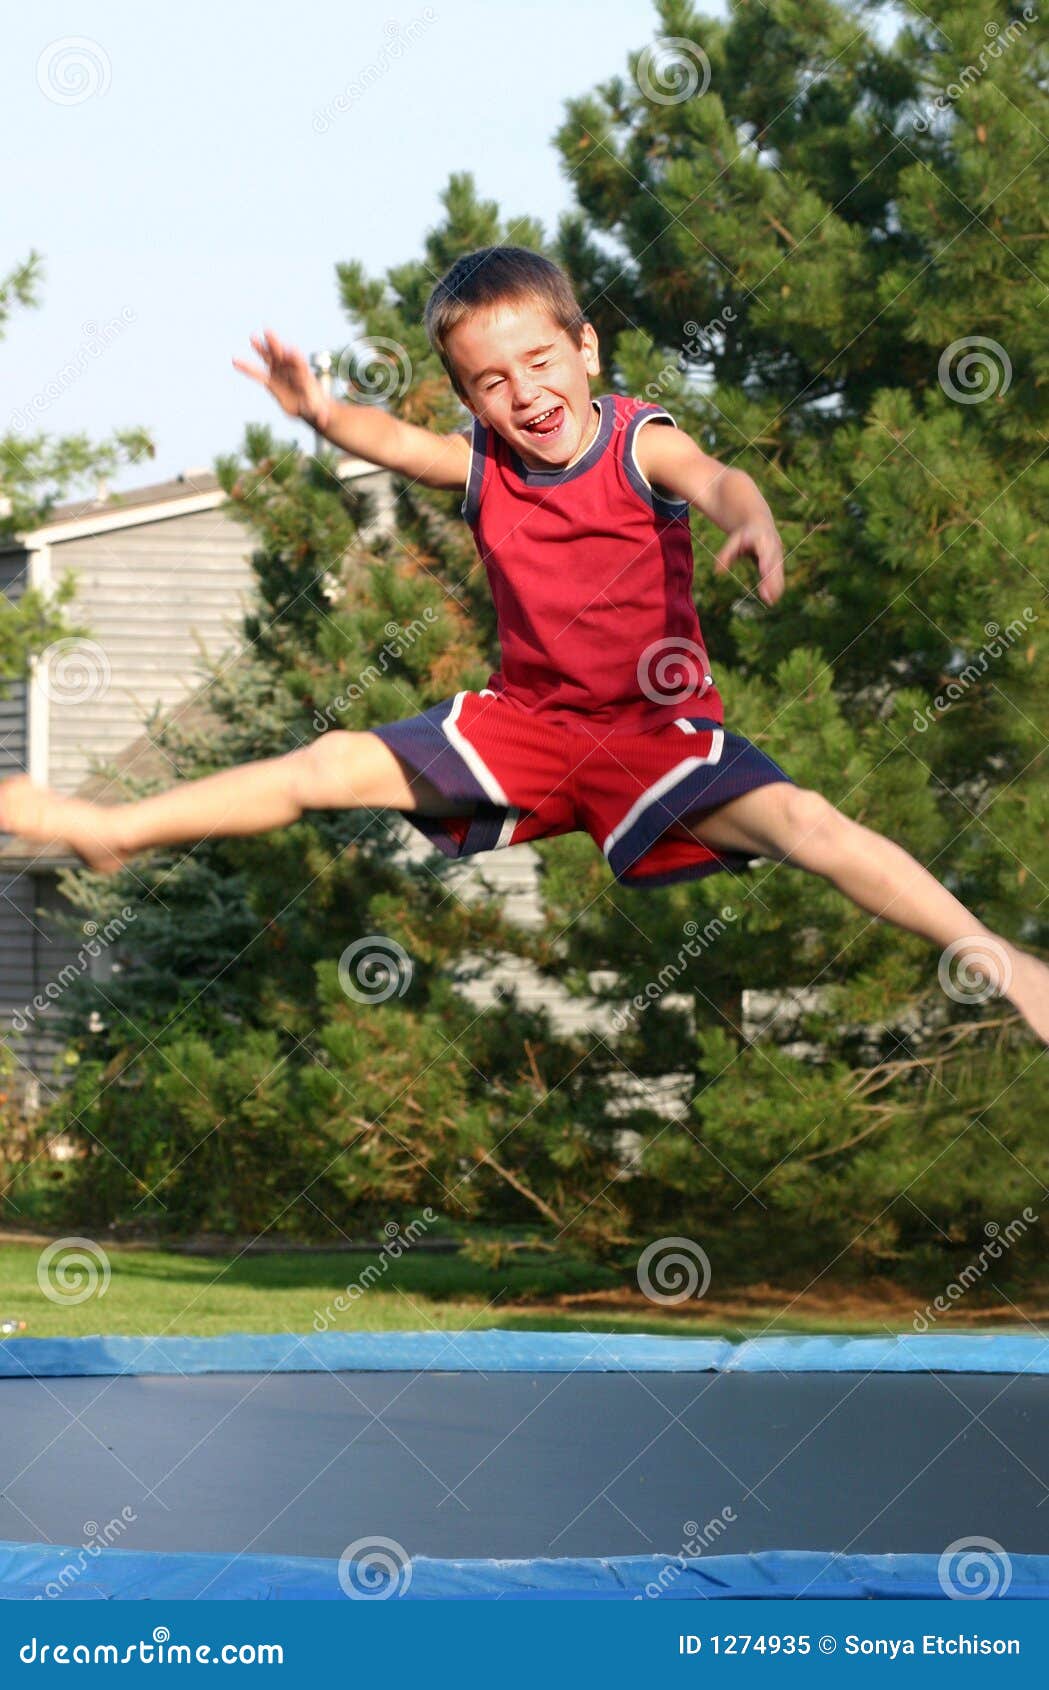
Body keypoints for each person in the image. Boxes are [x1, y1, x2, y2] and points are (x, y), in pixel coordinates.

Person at [1, 246, 1046, 1043]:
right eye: (490, 382)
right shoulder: (481, 466)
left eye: (539, 362)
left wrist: (752, 517)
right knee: (327, 763)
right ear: (468, 399)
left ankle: (997, 962)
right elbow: (394, 441)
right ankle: (113, 830)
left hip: (653, 738)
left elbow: (714, 477)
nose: (524, 394)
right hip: (528, 729)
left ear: (585, 351)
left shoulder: (636, 441)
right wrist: (319, 409)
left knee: (806, 822)